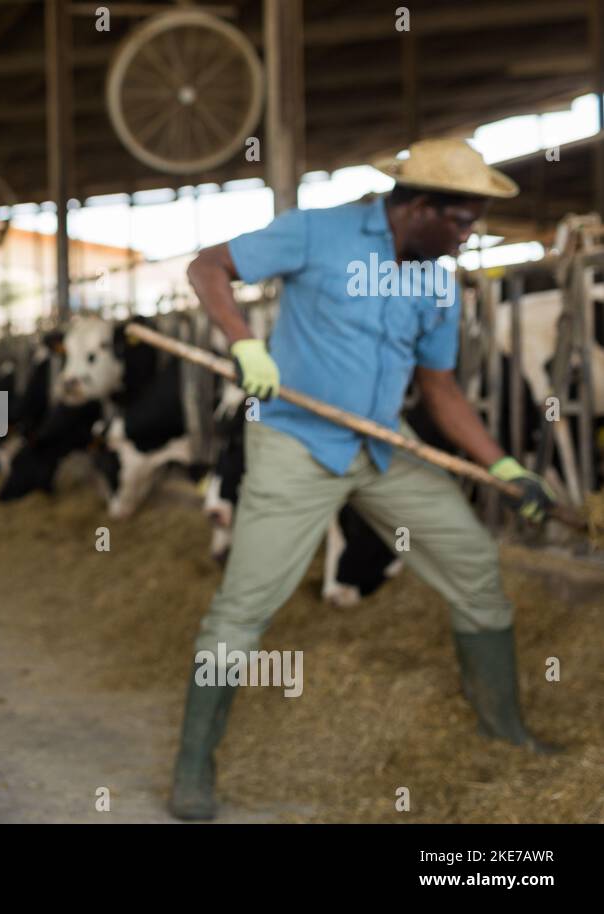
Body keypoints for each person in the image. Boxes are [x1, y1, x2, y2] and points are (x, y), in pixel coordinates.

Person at [173, 137, 561, 821]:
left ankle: (504, 730)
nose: (470, 237)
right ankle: (193, 768)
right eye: (463, 221)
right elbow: (209, 267)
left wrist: (503, 466)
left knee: (474, 560)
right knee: (243, 608)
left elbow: (438, 390)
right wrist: (243, 341)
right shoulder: (316, 232)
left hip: (383, 443)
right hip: (296, 439)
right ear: (417, 206)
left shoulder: (436, 281)